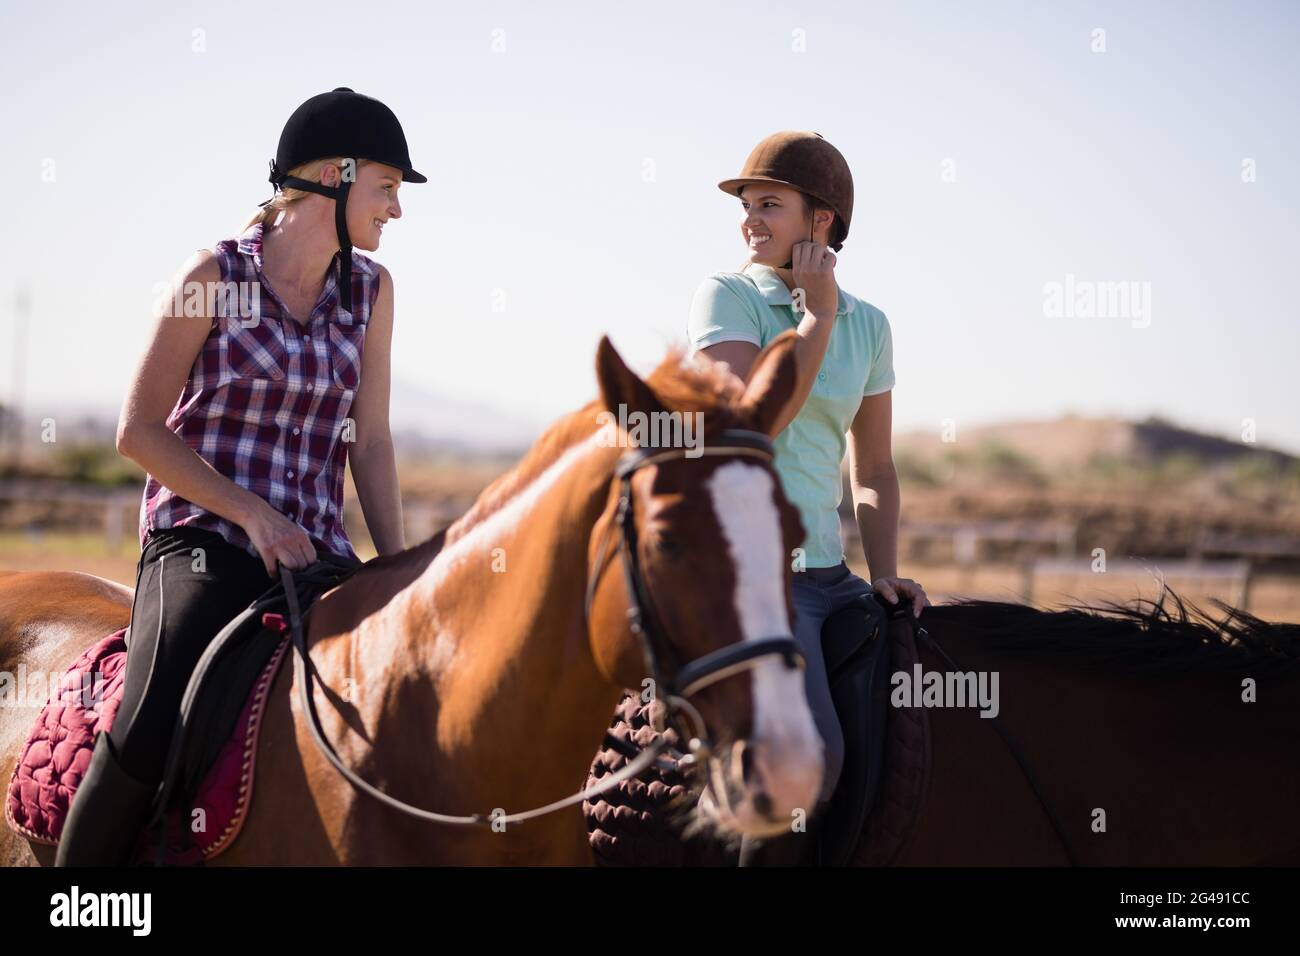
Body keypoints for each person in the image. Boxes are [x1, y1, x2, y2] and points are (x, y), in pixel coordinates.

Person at [55, 88, 421, 866]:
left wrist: (397, 566)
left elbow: (373, 442)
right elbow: (139, 430)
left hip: (317, 554)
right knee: (153, 714)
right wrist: (252, 514)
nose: (396, 210)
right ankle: (78, 902)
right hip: (201, 542)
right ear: (334, 174)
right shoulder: (212, 273)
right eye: (388, 187)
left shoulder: (374, 293)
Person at [686, 130, 930, 865]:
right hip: (752, 578)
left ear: (821, 221)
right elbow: (751, 424)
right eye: (747, 206)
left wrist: (882, 571)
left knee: (906, 738)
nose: (749, 220)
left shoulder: (873, 325)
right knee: (809, 758)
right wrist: (814, 318)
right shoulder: (726, 296)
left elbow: (875, 466)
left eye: (770, 204)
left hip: (830, 577)